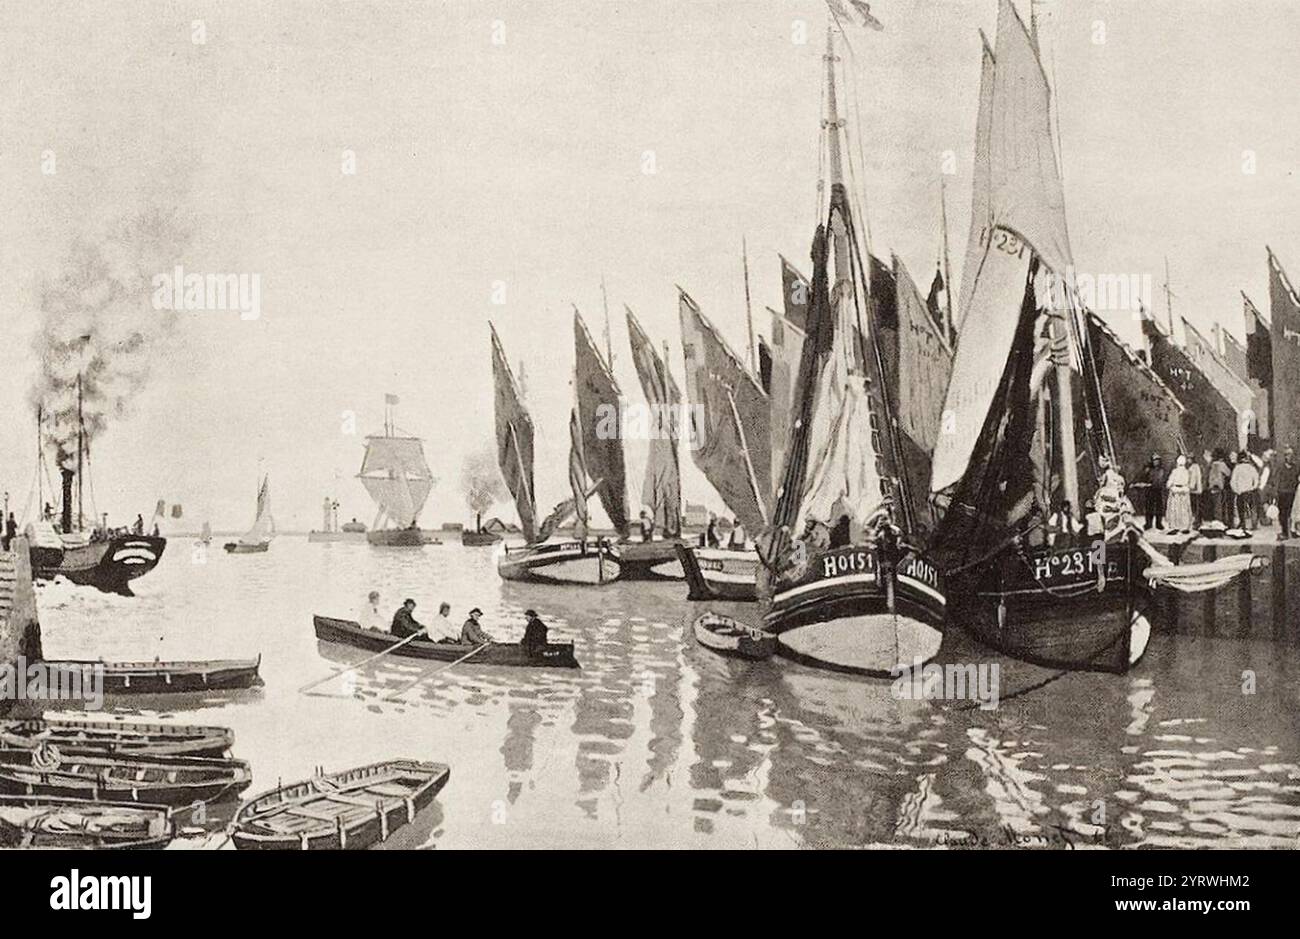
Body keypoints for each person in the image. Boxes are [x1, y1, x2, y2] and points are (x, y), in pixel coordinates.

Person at [1230, 451, 1260, 532]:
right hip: (1250, 491)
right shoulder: (1251, 467)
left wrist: (1236, 490)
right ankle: (1253, 524)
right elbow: (1256, 480)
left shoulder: (1237, 468)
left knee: (1241, 509)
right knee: (1251, 508)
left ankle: (1243, 524)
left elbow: (1233, 481)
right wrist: (1253, 488)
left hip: (1241, 492)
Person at [1165, 455, 1193, 533]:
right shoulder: (1187, 471)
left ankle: (1175, 526)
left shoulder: (1175, 471)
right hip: (1184, 492)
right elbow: (1190, 483)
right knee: (1184, 509)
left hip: (1176, 492)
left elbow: (1169, 482)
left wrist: (1169, 485)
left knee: (1175, 510)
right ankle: (1184, 527)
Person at [1276, 447, 1299, 540]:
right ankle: (1285, 532)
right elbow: (1277, 480)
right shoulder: (1281, 467)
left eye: (1291, 454)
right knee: (1283, 514)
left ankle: (1293, 531)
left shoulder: (1296, 467)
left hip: (1293, 493)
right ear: (1285, 456)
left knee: (1293, 514)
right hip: (1282, 493)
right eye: (1288, 454)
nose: (1290, 457)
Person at [1142, 454, 1167, 530]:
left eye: (1157, 460)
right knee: (1149, 507)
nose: (1156, 462)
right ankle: (1148, 523)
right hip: (1150, 490)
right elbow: (1144, 478)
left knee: (1159, 508)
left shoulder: (1161, 470)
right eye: (1154, 460)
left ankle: (1158, 523)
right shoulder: (1149, 470)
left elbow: (1163, 480)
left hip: (1158, 490)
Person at [1187, 454, 1204, 527]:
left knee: (1195, 506)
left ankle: (1197, 521)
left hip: (1194, 490)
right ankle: (1198, 521)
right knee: (1197, 506)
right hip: (1196, 489)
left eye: (1189, 459)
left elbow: (1193, 478)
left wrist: (1191, 486)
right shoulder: (1195, 467)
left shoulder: (1193, 467)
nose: (1188, 460)